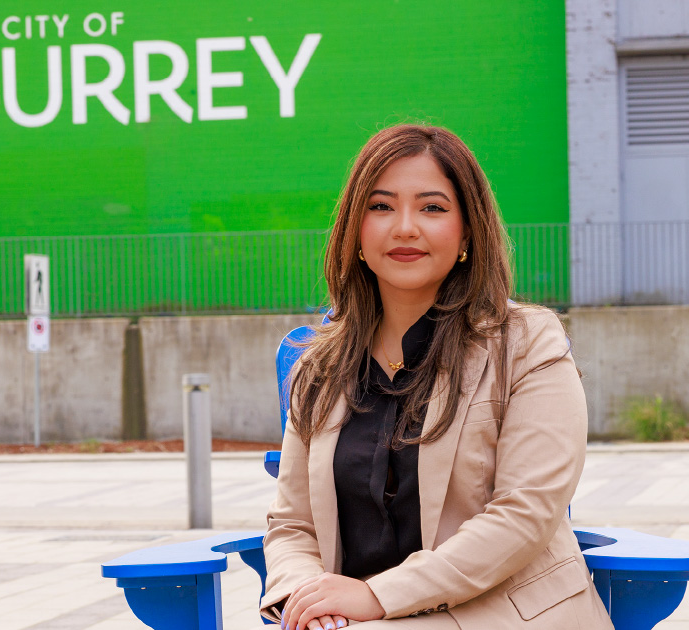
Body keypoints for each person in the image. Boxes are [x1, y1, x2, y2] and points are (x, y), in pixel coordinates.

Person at [260, 125, 612, 629]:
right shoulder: (320, 367)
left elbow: (525, 513)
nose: (405, 227)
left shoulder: (527, 343)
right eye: (381, 206)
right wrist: (307, 599)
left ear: (467, 232)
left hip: (501, 611)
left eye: (432, 207)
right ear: (355, 231)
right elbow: (293, 525)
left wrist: (376, 596)